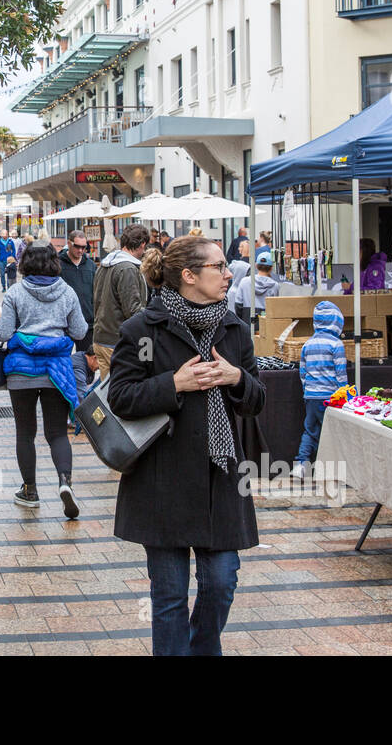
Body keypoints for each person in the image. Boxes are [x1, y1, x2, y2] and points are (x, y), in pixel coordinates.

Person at [108, 236, 264, 656]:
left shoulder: (234, 329)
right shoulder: (142, 330)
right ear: (189, 276)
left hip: (221, 479)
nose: (229, 274)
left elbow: (258, 399)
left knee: (221, 582)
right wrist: (171, 384)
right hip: (162, 482)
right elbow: (120, 396)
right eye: (219, 267)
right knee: (170, 595)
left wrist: (237, 379)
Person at [0, 242, 88, 518]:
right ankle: (64, 483)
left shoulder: (15, 292)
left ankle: (30, 490)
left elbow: (3, 334)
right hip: (56, 371)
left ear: (25, 265)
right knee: (57, 433)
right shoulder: (67, 292)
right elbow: (80, 331)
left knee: (25, 432)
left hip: (21, 372)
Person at [292, 301, 349, 478]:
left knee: (310, 430)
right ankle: (329, 468)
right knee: (332, 431)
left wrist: (307, 390)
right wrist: (344, 394)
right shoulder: (336, 344)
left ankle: (301, 464)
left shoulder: (307, 345)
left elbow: (303, 372)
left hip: (310, 395)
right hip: (330, 397)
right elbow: (341, 373)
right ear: (337, 322)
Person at [92, 223, 150, 379]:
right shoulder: (128, 268)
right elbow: (133, 310)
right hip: (117, 339)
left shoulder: (105, 264)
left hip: (101, 336)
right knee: (123, 391)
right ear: (142, 244)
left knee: (108, 394)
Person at [59, 229, 97, 351]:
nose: (80, 250)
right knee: (62, 362)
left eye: (83, 247)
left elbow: (96, 293)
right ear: (69, 244)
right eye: (77, 246)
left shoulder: (91, 266)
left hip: (87, 322)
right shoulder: (58, 264)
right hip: (64, 323)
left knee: (87, 363)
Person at [237, 251, 280, 315]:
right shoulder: (275, 285)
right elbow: (274, 307)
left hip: (247, 319)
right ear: (271, 268)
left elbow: (238, 305)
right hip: (266, 319)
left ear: (256, 265)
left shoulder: (244, 281)